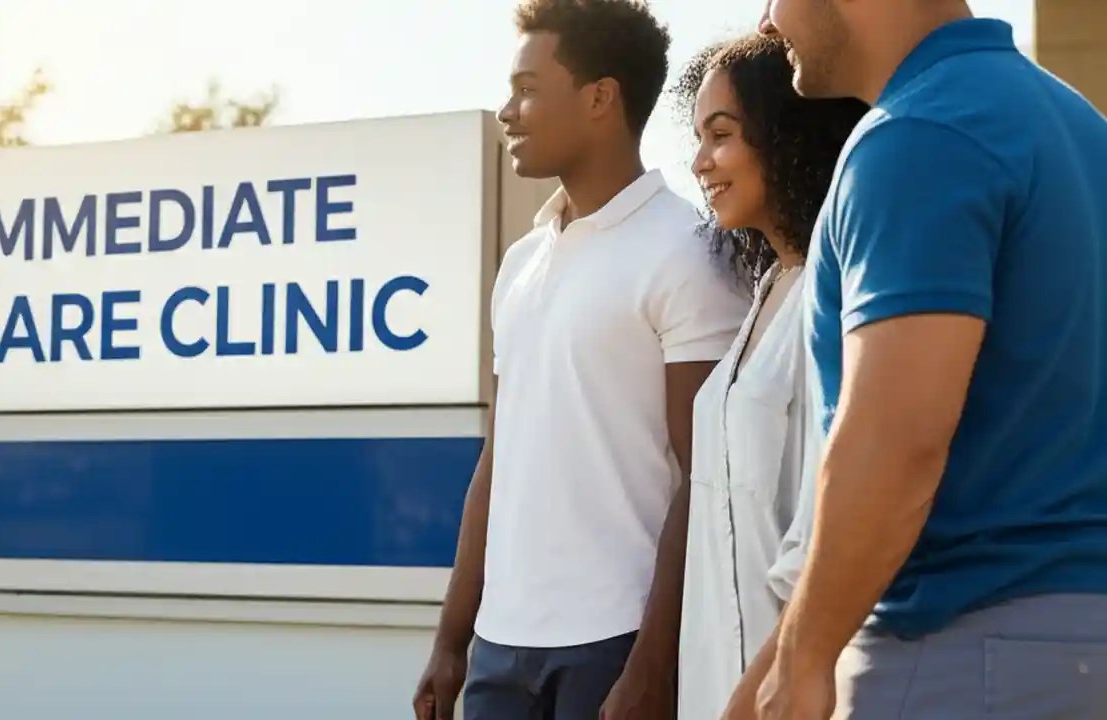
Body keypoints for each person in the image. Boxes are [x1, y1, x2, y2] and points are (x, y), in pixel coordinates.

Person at [751, 0, 1107, 718]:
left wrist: (805, 665)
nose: (765, 20)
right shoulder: (1079, 127)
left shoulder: (918, 135)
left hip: (963, 650)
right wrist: (774, 666)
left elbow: (896, 441)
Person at [410, 1, 750, 718]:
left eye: (529, 88)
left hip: (616, 645)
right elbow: (497, 460)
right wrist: (451, 639)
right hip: (501, 650)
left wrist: (653, 666)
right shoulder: (522, 262)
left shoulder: (689, 253)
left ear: (601, 98)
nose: (508, 110)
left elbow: (706, 477)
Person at [671, 34, 867, 720]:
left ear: (783, 135)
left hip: (794, 685)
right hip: (718, 683)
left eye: (720, 135)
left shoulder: (834, 296)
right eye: (697, 138)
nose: (700, 162)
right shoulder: (768, 290)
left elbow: (831, 520)